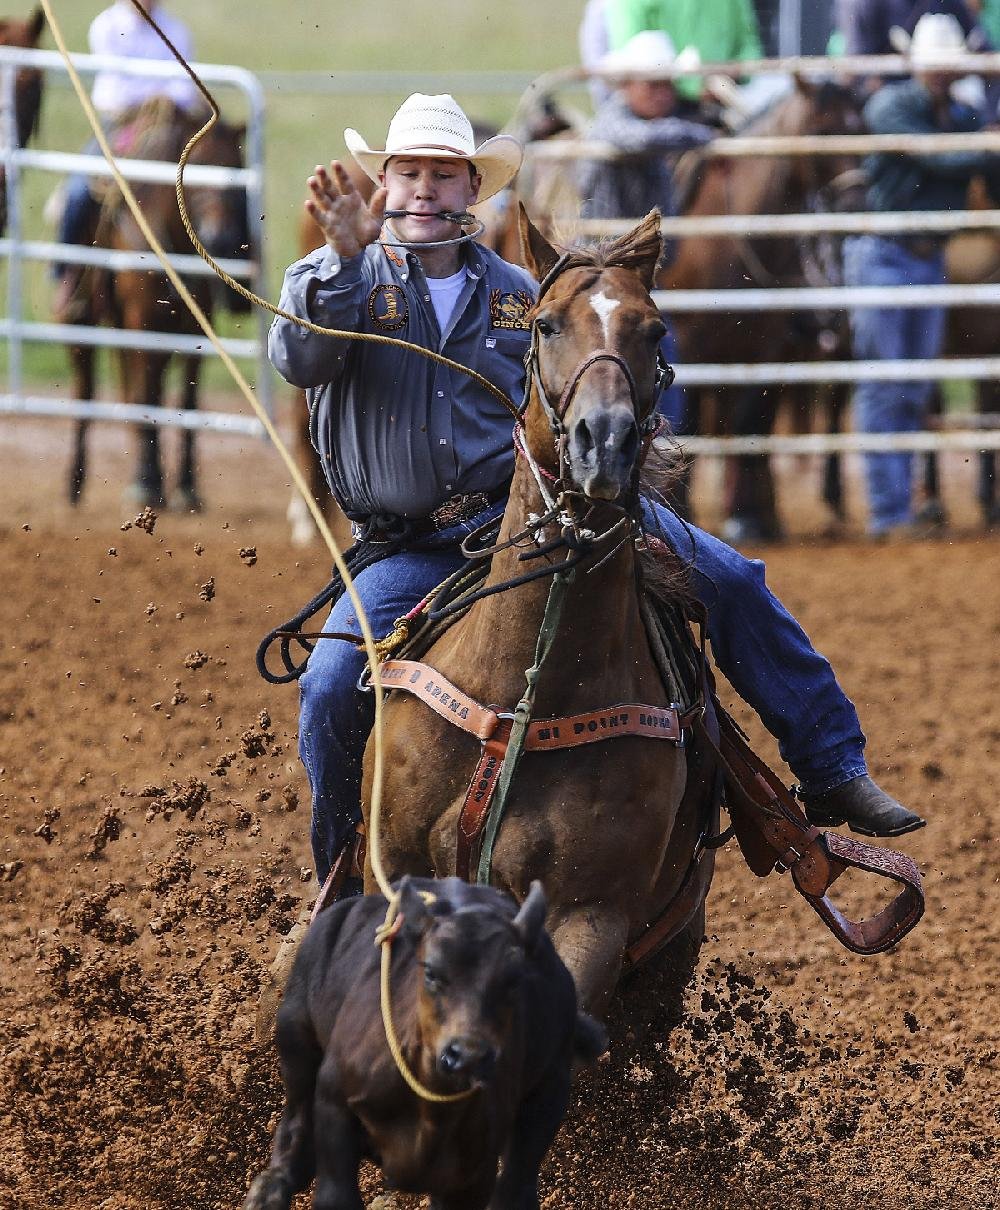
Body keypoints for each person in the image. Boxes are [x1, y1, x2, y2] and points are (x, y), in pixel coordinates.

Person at [267, 92, 925, 896]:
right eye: (408, 173)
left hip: (537, 512)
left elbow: (593, 375)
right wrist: (338, 258)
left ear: (472, 188)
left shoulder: (525, 293)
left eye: (443, 174)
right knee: (332, 686)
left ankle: (831, 768)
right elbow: (298, 361)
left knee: (733, 581)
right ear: (386, 185)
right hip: (406, 545)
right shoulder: (338, 277)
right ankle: (338, 882)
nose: (424, 190)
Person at [843, 12, 1000, 538]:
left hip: (926, 257)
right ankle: (889, 512)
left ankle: (901, 510)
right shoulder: (892, 106)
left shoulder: (959, 115)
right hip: (885, 253)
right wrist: (987, 142)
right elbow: (945, 159)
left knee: (912, 385)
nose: (940, 74)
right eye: (934, 67)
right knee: (887, 382)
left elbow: (976, 166)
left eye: (948, 67)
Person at [579, 30, 715, 431]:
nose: (663, 94)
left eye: (667, 85)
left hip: (629, 280)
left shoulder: (650, 138)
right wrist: (701, 134)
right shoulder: (616, 124)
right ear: (627, 86)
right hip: (598, 279)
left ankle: (656, 444)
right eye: (653, 85)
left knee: (657, 364)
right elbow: (627, 138)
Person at [55, 1, 199, 305]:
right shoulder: (107, 26)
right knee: (79, 189)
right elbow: (114, 89)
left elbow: (186, 89)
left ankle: (221, 284)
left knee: (207, 187)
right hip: (120, 125)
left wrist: (164, 101)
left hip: (167, 128)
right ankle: (66, 273)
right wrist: (156, 97)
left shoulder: (175, 30)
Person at [602, 0, 763, 105]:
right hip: (660, 107)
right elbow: (630, 59)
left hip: (724, 99)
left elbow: (749, 46)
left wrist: (733, 72)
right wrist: (692, 87)